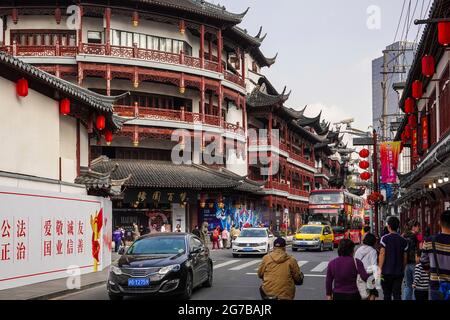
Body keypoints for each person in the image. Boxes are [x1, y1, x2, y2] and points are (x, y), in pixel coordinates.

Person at [420, 210, 450, 300]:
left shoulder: (430, 241)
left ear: (439, 223)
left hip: (436, 284)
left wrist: (431, 271)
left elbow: (423, 262)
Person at [378, 216, 408, 301]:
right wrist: (402, 268)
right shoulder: (404, 240)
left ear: (389, 227)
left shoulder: (384, 238)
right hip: (398, 272)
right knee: (397, 294)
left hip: (386, 272)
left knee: (387, 295)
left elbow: (382, 254)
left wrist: (379, 269)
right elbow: (405, 258)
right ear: (398, 227)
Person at [354, 233, 379, 300]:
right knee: (372, 294)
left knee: (361, 295)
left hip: (359, 276)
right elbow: (374, 266)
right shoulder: (373, 251)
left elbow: (355, 263)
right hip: (369, 276)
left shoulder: (358, 250)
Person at [402, 220, 420, 300]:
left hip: (405, 263)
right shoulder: (415, 236)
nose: (419, 228)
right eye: (418, 226)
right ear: (413, 227)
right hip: (414, 263)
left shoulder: (403, 235)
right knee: (416, 285)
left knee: (407, 285)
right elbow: (417, 250)